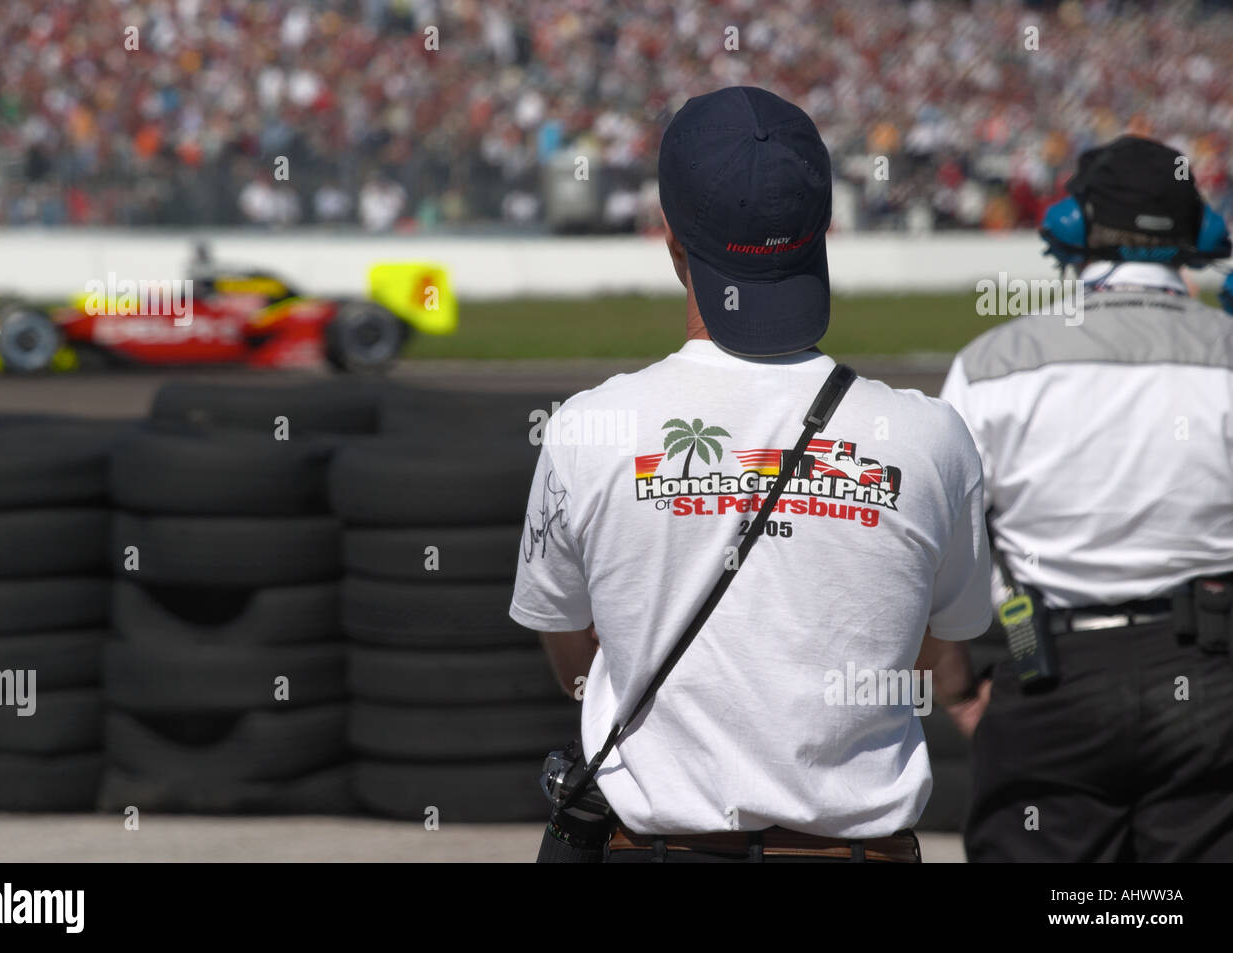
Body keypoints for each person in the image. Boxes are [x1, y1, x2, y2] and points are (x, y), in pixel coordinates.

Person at [509, 86, 993, 863]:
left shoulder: (585, 430)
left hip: (657, 845)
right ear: (821, 229)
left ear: (672, 242)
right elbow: (942, 647)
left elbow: (570, 644)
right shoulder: (933, 436)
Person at [940, 134, 1233, 862]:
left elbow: (939, 552)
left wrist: (959, 691)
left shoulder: (992, 365)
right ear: (1199, 233)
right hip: (1213, 683)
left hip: (1047, 676)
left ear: (1072, 223)